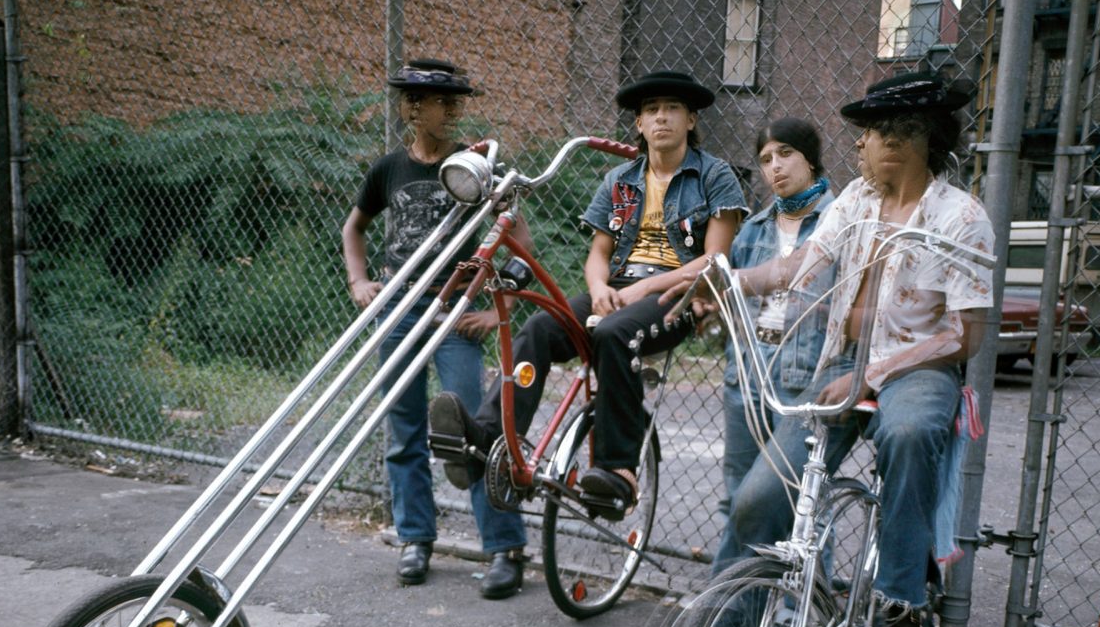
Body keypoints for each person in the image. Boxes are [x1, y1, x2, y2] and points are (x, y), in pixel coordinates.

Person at [673, 72, 994, 627]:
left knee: (909, 433)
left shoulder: (962, 216)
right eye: (870, 132)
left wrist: (875, 374)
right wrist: (724, 281)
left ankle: (899, 608)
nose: (874, 143)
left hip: (919, 366)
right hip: (841, 362)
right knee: (758, 497)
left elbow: (965, 334)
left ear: (919, 139)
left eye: (888, 131)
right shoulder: (855, 203)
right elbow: (797, 267)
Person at [430, 70, 746, 512]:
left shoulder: (715, 176)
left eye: (673, 109)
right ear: (639, 123)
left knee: (615, 332)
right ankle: (487, 440)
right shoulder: (620, 179)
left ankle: (618, 472)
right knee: (540, 327)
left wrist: (645, 287)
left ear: (691, 120)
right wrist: (598, 287)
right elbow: (599, 253)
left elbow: (714, 260)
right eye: (652, 110)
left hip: (677, 295)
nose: (661, 118)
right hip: (617, 288)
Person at [341, 58, 530, 599]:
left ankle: (503, 548)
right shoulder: (389, 169)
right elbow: (355, 227)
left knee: (470, 427)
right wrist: (359, 281)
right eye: (439, 102)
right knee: (403, 428)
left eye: (456, 103)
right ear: (411, 107)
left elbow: (518, 240)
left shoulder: (475, 167)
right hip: (399, 309)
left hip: (454, 312)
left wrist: (496, 310)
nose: (450, 111)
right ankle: (415, 539)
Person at [713, 117, 835, 575]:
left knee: (802, 498)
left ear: (810, 159)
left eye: (786, 153)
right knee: (739, 493)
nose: (775, 167)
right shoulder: (754, 228)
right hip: (747, 372)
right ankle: (738, 604)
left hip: (803, 373)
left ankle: (800, 605)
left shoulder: (837, 221)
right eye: (765, 160)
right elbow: (732, 297)